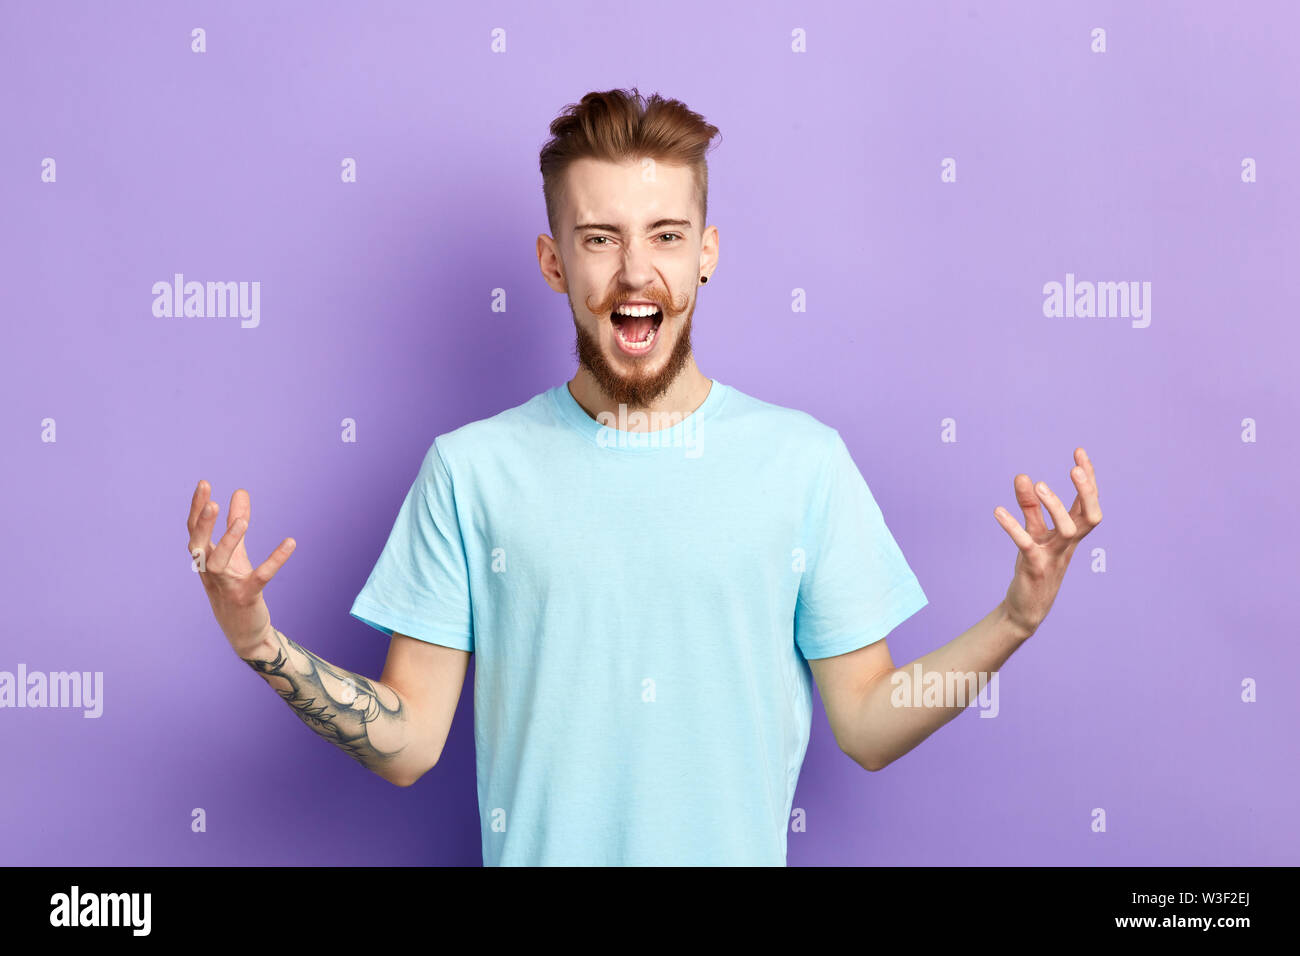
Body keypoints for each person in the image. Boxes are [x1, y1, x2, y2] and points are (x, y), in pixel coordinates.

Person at [185, 88, 1103, 866]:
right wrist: (262, 645)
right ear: (554, 263)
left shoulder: (803, 463)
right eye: (599, 239)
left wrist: (1015, 618)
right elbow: (409, 744)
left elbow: (864, 723)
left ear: (706, 253)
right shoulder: (471, 472)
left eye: (666, 235)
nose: (637, 271)